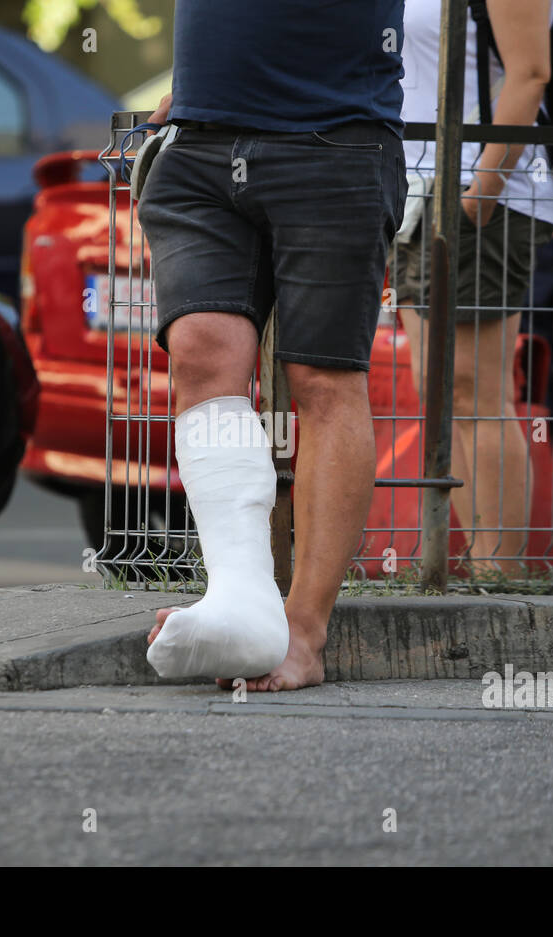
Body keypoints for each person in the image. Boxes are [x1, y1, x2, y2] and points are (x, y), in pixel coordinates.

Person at [137, 1, 406, 690]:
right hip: (199, 136)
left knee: (322, 379)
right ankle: (240, 605)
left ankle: (303, 632)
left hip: (334, 137)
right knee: (201, 350)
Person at [394, 0, 553, 579]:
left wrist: (481, 191)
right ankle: (474, 567)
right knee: (440, 389)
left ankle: (498, 575)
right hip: (418, 188)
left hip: (477, 190)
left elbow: (531, 71)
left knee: (475, 390)